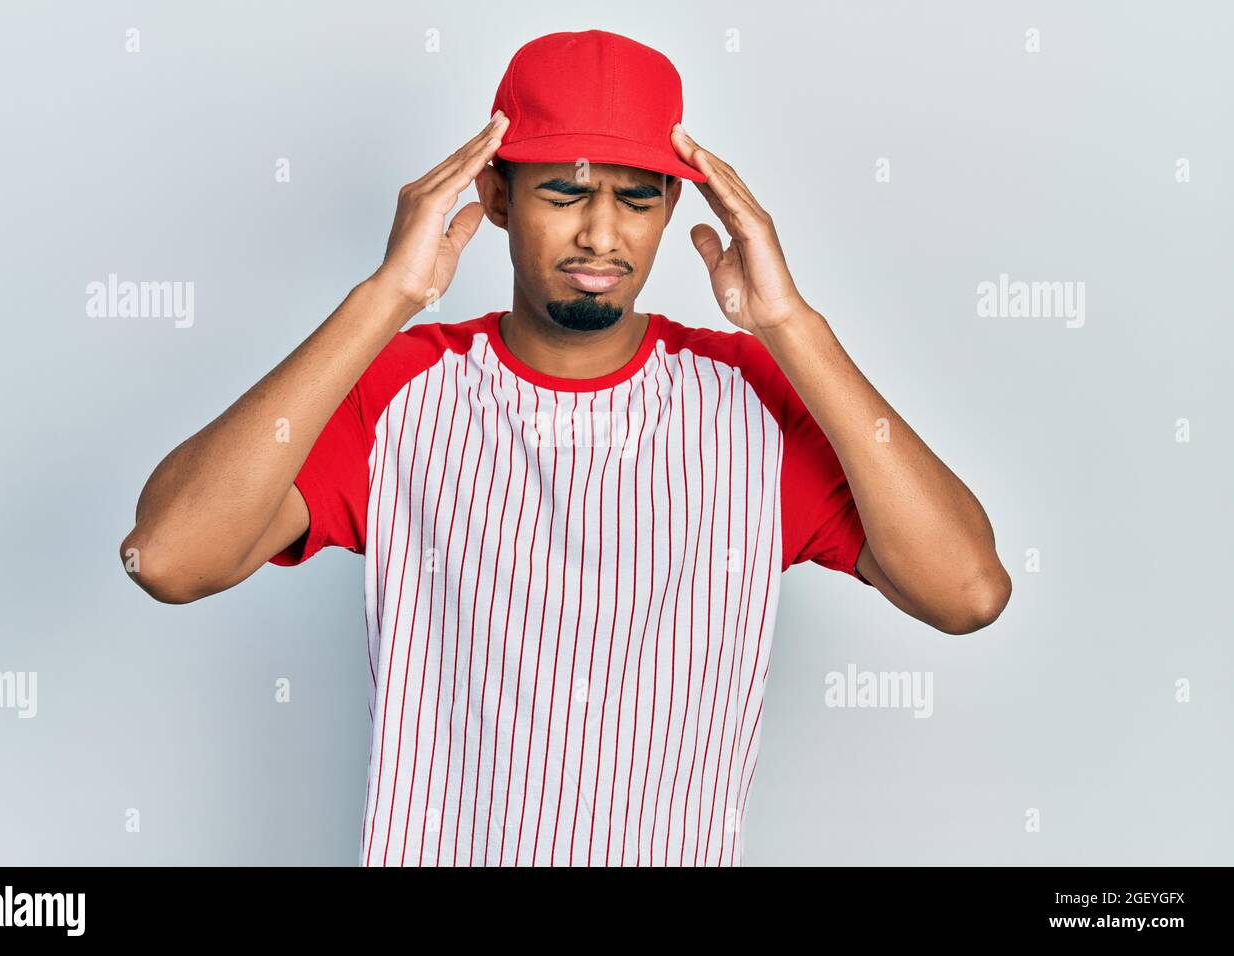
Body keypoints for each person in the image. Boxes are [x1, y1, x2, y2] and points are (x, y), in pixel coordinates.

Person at [119, 30, 1010, 866]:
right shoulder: (400, 388)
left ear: (672, 206)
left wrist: (788, 323)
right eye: (565, 192)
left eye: (635, 196)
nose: (601, 234)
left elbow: (965, 591)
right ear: (497, 197)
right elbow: (168, 557)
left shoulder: (754, 398)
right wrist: (388, 294)